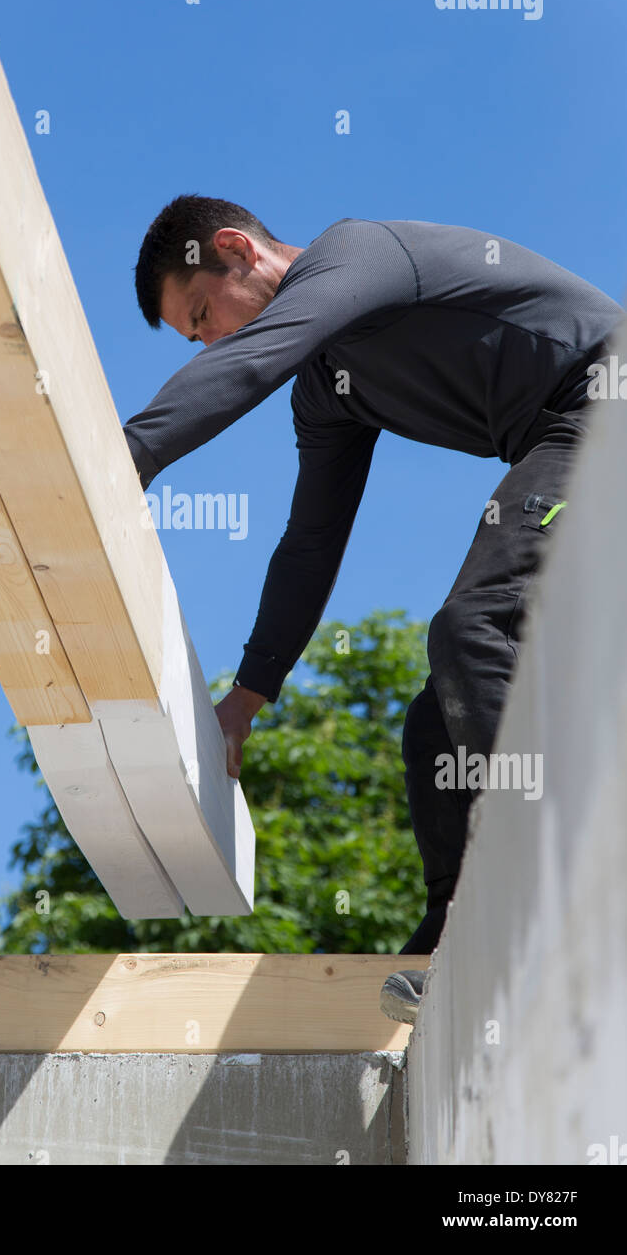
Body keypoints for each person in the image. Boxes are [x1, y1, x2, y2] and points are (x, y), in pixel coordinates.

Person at [122, 194, 623, 1021]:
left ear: (236, 250)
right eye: (195, 337)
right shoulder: (330, 388)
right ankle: (460, 940)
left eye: (203, 315)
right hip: (567, 443)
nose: (212, 342)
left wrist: (121, 461)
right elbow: (311, 541)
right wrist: (248, 696)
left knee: (478, 627)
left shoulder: (359, 255)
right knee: (436, 723)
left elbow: (252, 361)